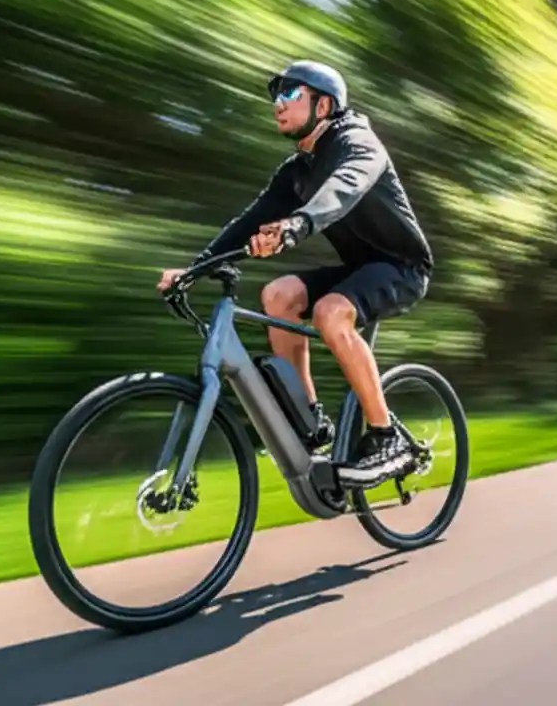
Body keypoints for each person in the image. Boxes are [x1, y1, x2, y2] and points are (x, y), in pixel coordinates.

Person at [157, 60, 434, 488]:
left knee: (328, 313)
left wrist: (297, 225)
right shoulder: (297, 171)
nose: (277, 105)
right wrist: (192, 271)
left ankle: (386, 436)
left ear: (323, 105)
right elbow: (247, 223)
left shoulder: (358, 142)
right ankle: (308, 421)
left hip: (402, 266)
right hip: (357, 268)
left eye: (290, 94)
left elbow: (344, 187)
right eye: (275, 97)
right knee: (278, 294)